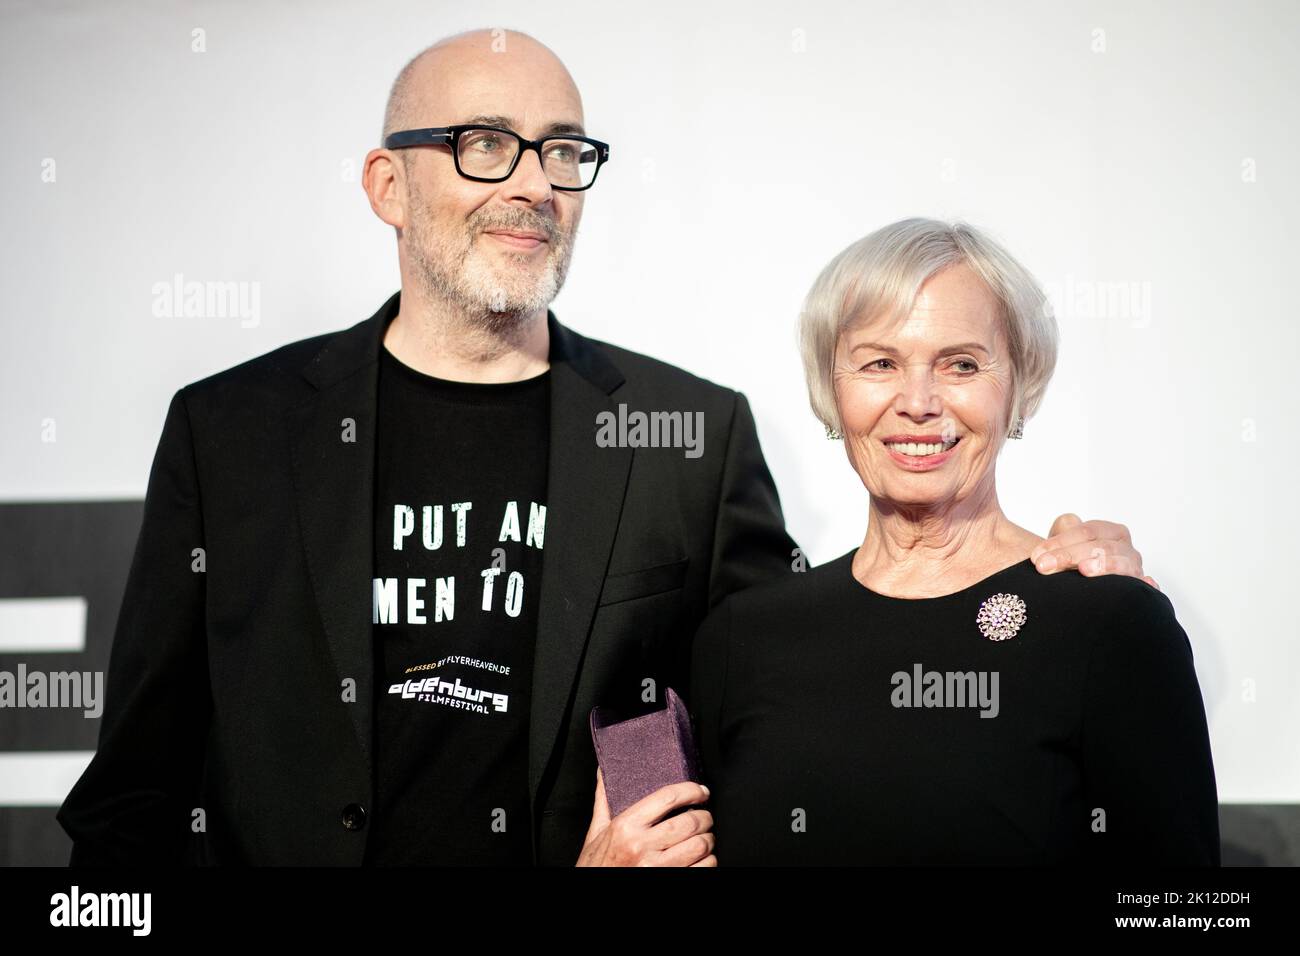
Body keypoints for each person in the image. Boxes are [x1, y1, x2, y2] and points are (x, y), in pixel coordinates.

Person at [56, 31, 1153, 868]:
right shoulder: (235, 429)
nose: (532, 182)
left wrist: (1021, 567)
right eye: (483, 145)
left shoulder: (687, 437)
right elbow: (133, 793)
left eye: (562, 152)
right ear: (388, 184)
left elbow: (805, 682)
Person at [688, 217, 1220, 865]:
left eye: (961, 364)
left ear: (1019, 389)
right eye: (880, 363)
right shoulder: (743, 636)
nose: (918, 402)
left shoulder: (1112, 624)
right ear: (831, 390)